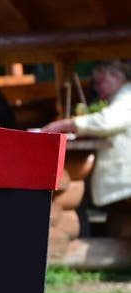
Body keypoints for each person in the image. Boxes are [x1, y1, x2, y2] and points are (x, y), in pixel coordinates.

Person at [42, 61, 131, 230]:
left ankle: (80, 234)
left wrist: (68, 124)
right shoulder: (121, 97)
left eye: (100, 81)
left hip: (126, 180)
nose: (97, 88)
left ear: (116, 77)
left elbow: (107, 121)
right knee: (77, 190)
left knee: (76, 192)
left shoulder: (128, 95)